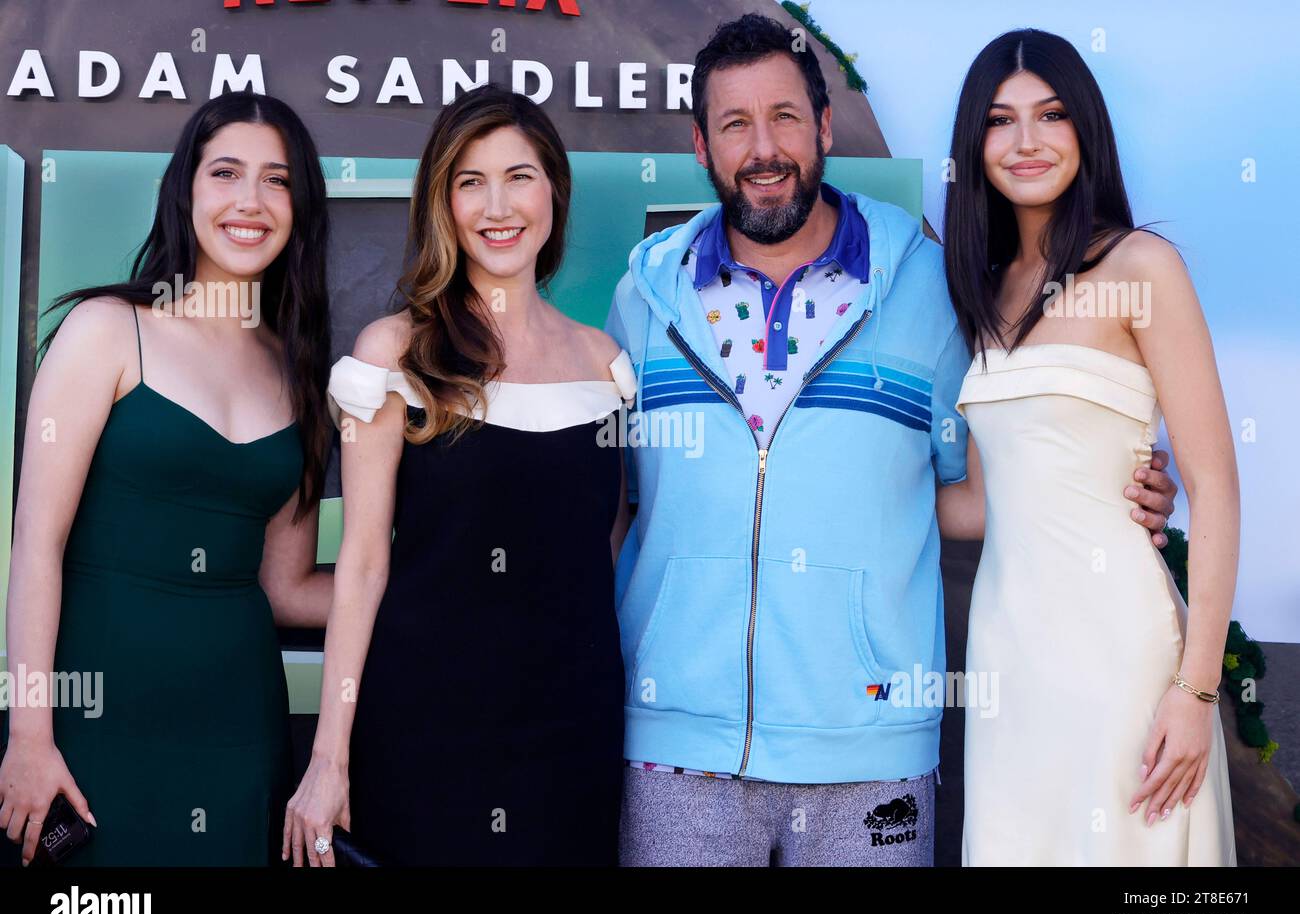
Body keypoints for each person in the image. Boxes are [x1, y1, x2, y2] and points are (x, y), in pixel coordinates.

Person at [607, 13, 1178, 867]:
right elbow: (604, 504)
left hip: (872, 757)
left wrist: (1115, 485)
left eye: (786, 117)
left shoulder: (930, 287)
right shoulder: (642, 296)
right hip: (675, 750)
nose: (764, 147)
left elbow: (986, 486)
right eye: (735, 124)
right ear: (700, 145)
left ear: (825, 126)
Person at [282, 84, 634, 867]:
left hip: (572, 735)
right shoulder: (394, 354)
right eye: (469, 181)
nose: (497, 204)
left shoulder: (607, 365)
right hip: (425, 729)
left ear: (555, 191)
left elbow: (602, 548)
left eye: (519, 175)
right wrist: (329, 757)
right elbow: (364, 565)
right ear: (441, 202)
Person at [0, 92, 334, 866]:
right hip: (92, 725)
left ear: (300, 207)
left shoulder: (299, 376)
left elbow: (287, 589)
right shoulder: (106, 332)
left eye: (277, 180)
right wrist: (29, 733)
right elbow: (35, 546)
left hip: (238, 724)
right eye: (226, 173)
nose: (250, 201)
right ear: (185, 190)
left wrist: (430, 578)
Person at [942, 29, 1237, 865]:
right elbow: (983, 504)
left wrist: (1197, 692)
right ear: (975, 145)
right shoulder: (983, 289)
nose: (1027, 141)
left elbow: (1214, 487)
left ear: (1086, 130)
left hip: (1123, 659)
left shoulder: (1143, 264)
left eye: (1052, 114)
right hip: (1007, 662)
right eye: (1001, 121)